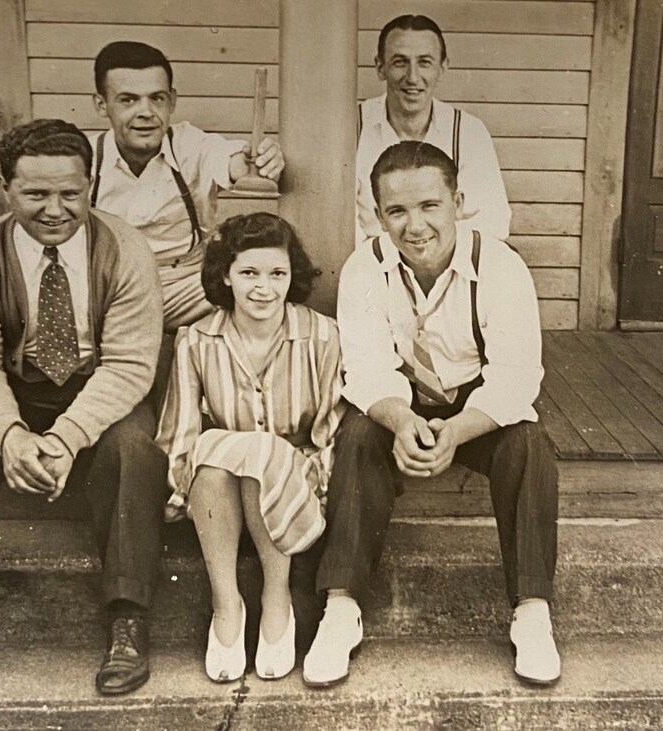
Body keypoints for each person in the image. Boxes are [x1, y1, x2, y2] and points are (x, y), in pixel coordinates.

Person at [0, 119, 168, 698]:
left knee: (136, 450)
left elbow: (130, 364)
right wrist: (9, 435)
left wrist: (64, 438)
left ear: (91, 185)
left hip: (99, 386)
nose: (55, 209)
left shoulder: (126, 249)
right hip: (15, 386)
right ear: (5, 188)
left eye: (70, 193)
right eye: (35, 194)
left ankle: (127, 619)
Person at [304, 141, 560, 687]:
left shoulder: (500, 266)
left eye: (429, 206)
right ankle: (341, 607)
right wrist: (400, 421)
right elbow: (368, 368)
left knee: (530, 444)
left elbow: (516, 375)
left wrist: (459, 430)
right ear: (378, 216)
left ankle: (532, 611)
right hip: (404, 399)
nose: (414, 226)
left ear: (458, 202)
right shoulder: (365, 268)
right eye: (396, 211)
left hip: (475, 402)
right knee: (354, 436)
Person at [156, 212, 345, 683]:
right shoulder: (197, 339)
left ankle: (275, 596)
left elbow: (330, 432)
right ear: (226, 275)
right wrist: (182, 489)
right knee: (217, 455)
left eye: (277, 274)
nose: (264, 288)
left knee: (259, 453)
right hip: (220, 482)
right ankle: (227, 605)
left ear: (291, 276)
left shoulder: (322, 335)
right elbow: (179, 433)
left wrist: (310, 480)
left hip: (296, 475)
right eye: (249, 273)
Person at [90, 41, 285, 331]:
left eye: (156, 98)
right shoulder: (87, 158)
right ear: (101, 104)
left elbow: (233, 160)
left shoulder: (191, 145)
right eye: (128, 100)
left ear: (172, 101)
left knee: (251, 292)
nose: (146, 112)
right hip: (113, 290)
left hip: (187, 287)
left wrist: (258, 158)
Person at [356, 14, 511, 243]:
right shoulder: (352, 128)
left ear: (442, 67)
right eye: (400, 62)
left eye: (424, 62)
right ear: (380, 67)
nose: (412, 77)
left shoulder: (467, 131)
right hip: (372, 266)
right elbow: (345, 225)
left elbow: (492, 223)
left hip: (447, 266)